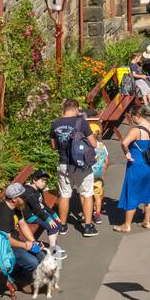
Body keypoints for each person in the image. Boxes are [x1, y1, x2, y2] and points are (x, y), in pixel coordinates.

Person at [114, 104, 150, 232]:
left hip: (138, 164)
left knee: (132, 194)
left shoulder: (136, 130)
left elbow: (124, 143)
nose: (131, 119)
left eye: (131, 116)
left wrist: (127, 153)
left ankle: (126, 225)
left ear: (137, 116)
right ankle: (146, 221)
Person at [50, 99, 98, 238]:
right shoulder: (81, 122)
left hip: (64, 164)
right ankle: (88, 227)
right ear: (76, 108)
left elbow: (54, 146)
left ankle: (63, 226)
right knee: (87, 194)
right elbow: (93, 144)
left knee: (65, 195)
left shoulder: (55, 123)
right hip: (81, 165)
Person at [0, 182, 46, 290]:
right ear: (14, 199)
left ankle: (27, 276)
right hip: (1, 247)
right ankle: (19, 278)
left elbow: (23, 225)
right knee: (32, 261)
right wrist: (25, 245)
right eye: (23, 197)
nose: (25, 199)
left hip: (13, 241)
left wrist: (34, 242)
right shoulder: (4, 213)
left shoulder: (16, 207)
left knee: (40, 254)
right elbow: (7, 240)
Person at [21, 168, 63, 247]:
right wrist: (48, 219)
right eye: (42, 180)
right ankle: (53, 252)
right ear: (34, 180)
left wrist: (53, 214)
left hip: (39, 212)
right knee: (52, 227)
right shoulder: (30, 193)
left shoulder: (38, 189)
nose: (44, 183)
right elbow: (37, 210)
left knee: (57, 224)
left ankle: (54, 246)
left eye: (45, 181)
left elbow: (43, 204)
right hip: (31, 216)